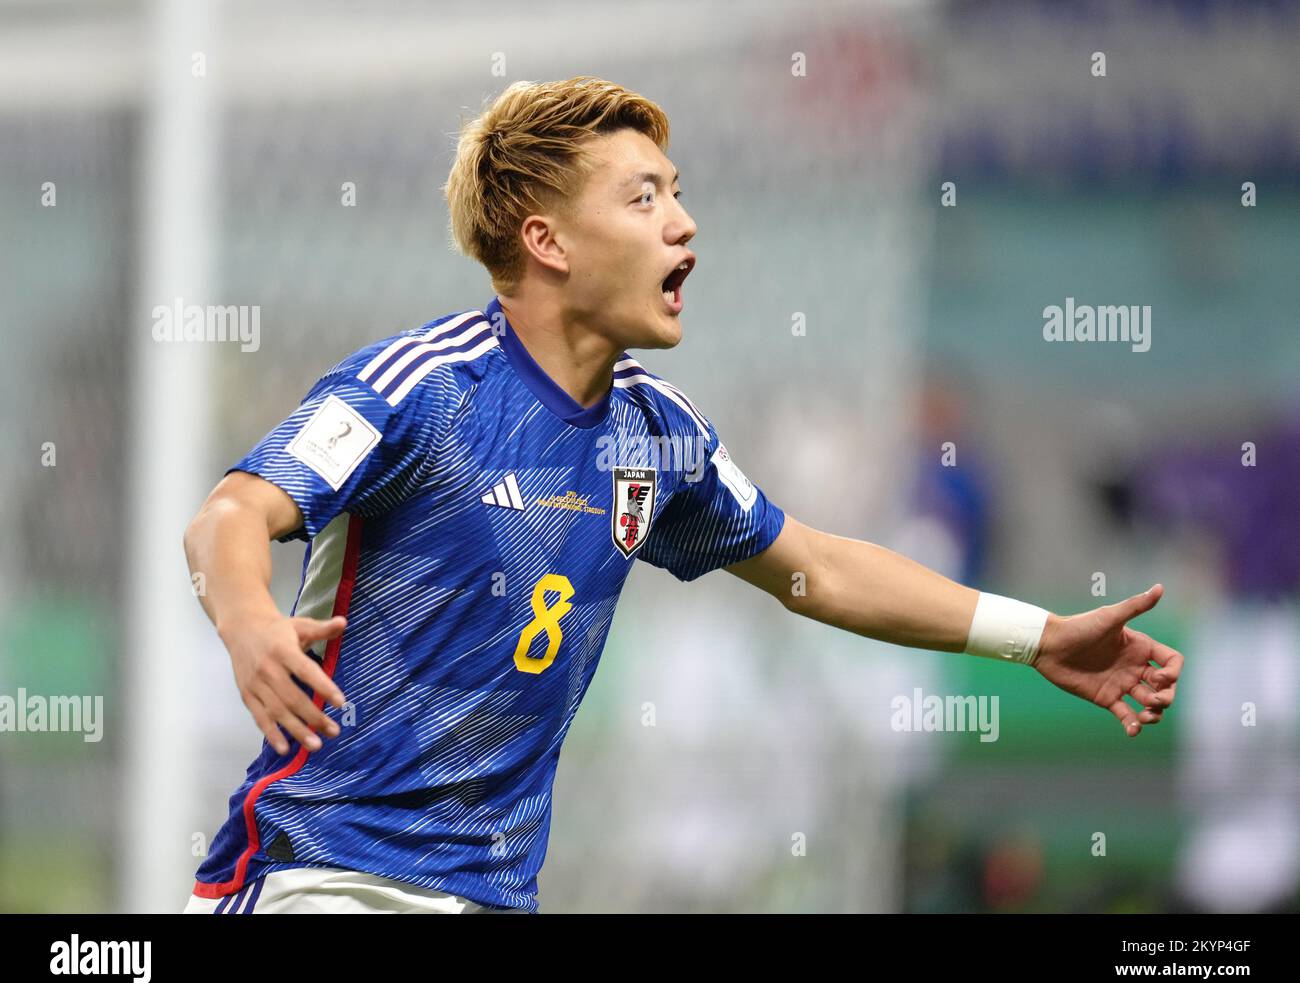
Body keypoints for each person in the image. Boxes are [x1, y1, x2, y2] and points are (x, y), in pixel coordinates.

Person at [181, 76, 1183, 915]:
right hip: (320, 878)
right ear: (549, 242)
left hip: (487, 896)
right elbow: (232, 511)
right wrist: (249, 620)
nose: (684, 221)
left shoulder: (656, 434)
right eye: (644, 196)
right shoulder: (423, 385)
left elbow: (818, 569)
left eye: (676, 192)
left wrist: (1036, 634)